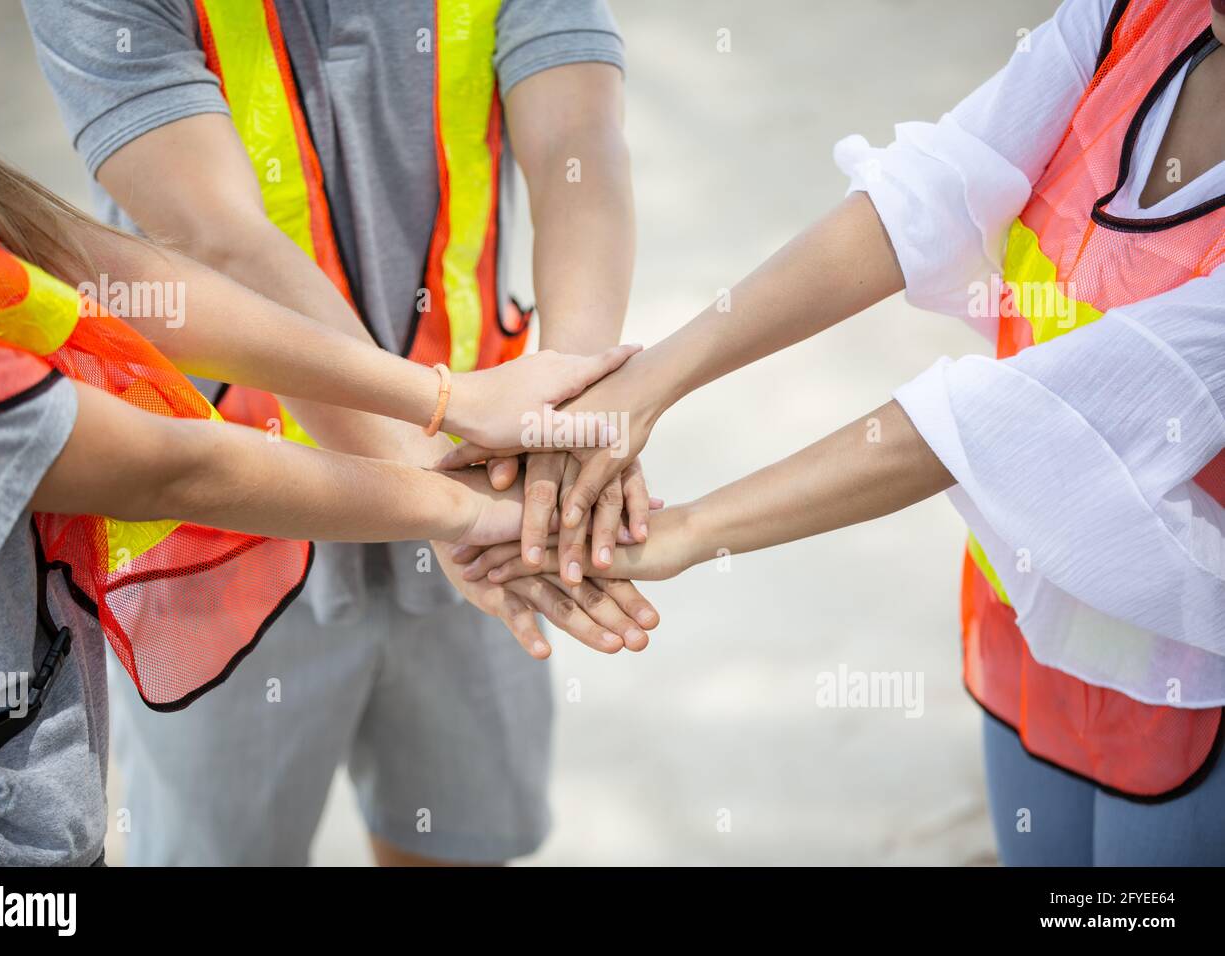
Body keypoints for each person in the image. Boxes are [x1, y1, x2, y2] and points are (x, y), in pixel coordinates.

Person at [447, 0, 1225, 865]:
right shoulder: (1136, 16)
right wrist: (640, 387)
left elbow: (1012, 425)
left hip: (1196, 663)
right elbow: (922, 197)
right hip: (1032, 609)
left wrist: (685, 531)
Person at [0, 107, 656, 866]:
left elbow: (106, 269)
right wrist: (471, 498)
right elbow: (170, 465)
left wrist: (469, 410)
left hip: (21, 782)